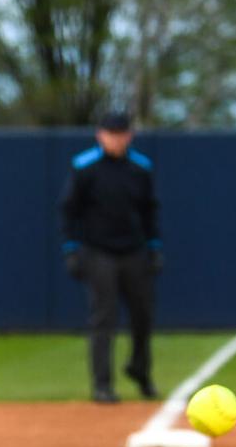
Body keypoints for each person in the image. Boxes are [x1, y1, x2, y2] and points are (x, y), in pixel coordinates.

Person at [59, 111, 162, 403]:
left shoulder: (140, 168)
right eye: (110, 133)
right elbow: (68, 211)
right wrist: (71, 249)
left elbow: (150, 211)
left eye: (121, 133)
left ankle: (140, 371)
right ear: (99, 135)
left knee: (143, 316)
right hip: (99, 252)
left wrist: (154, 247)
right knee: (103, 318)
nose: (116, 139)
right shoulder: (85, 167)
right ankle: (102, 384)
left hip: (135, 251)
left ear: (129, 135)